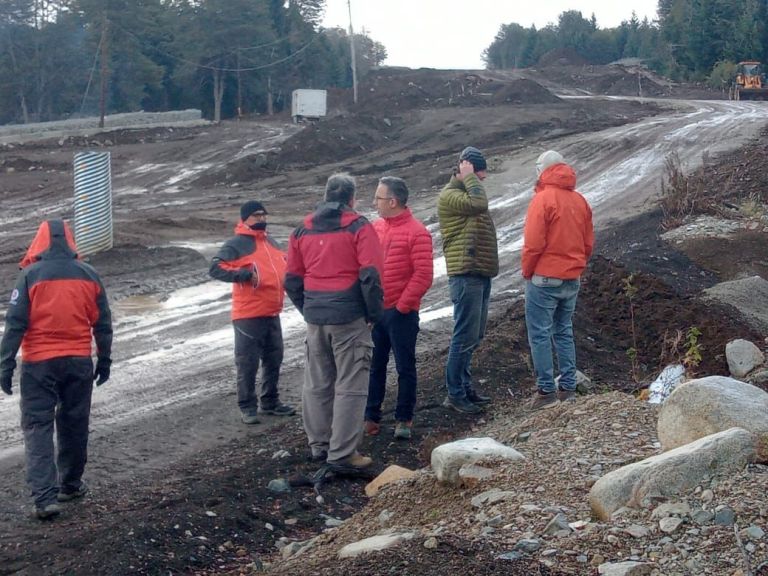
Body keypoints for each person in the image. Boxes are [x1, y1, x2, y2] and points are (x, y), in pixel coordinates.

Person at [0, 220, 113, 520]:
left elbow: (15, 323)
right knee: (74, 423)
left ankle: (45, 499)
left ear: (40, 243)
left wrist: (6, 363)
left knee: (38, 427)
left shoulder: (30, 276)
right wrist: (104, 359)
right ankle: (71, 485)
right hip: (77, 362)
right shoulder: (89, 274)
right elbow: (102, 322)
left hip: (39, 364)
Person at [285, 173, 383, 469]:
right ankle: (342, 454)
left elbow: (291, 279)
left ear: (326, 195)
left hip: (316, 318)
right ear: (352, 199)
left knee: (317, 383)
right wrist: (372, 314)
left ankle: (320, 445)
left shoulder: (301, 230)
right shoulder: (358, 227)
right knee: (351, 385)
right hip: (349, 317)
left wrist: (309, 308)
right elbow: (371, 276)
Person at [209, 200, 295, 424]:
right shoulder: (237, 244)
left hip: (272, 311)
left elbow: (285, 267)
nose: (262, 219)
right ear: (245, 218)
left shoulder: (271, 242)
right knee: (248, 363)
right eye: (256, 215)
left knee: (274, 359)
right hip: (248, 315)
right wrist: (244, 275)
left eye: (264, 215)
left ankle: (270, 402)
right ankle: (247, 407)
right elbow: (215, 267)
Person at [522, 150, 594, 410]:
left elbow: (533, 244)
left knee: (539, 334)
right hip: (571, 278)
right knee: (563, 331)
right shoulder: (580, 200)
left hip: (544, 279)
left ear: (542, 170)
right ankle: (568, 388)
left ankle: (546, 392)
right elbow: (587, 243)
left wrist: (527, 271)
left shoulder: (542, 200)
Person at [364, 177, 433, 441]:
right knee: (375, 366)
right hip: (377, 312)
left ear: (392, 202)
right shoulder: (376, 227)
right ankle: (371, 417)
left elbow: (424, 275)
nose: (374, 203)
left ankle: (404, 419)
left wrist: (402, 307)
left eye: (378, 198)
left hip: (401, 313)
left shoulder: (417, 232)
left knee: (405, 366)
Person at [437, 146, 499, 414]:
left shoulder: (467, 192)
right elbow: (478, 204)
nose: (481, 181)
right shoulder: (451, 195)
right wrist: (469, 177)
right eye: (479, 175)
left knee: (475, 334)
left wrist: (471, 178)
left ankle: (464, 385)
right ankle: (455, 394)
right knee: (464, 336)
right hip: (465, 274)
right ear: (466, 169)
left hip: (478, 272)